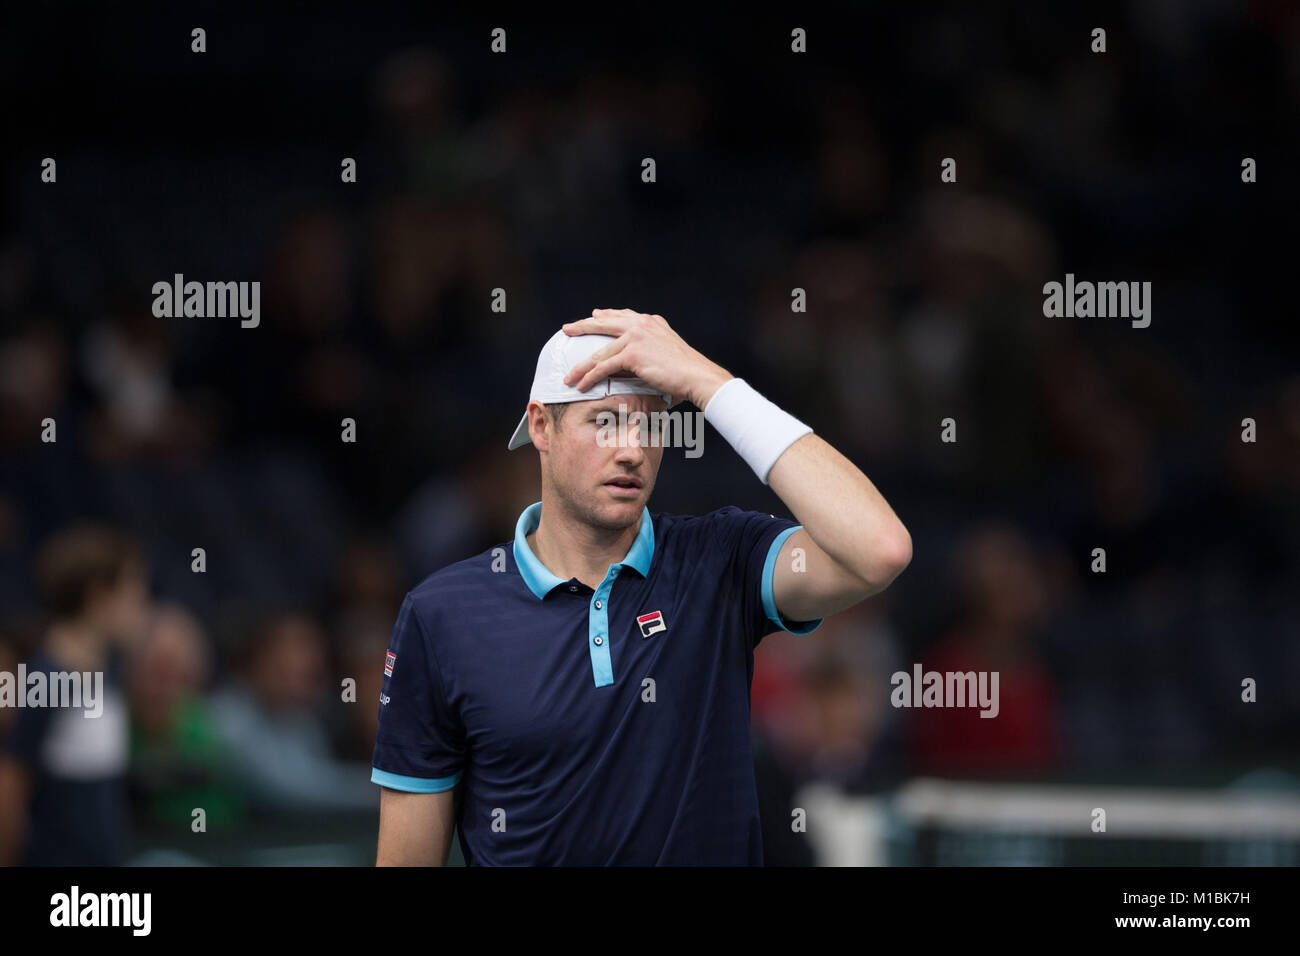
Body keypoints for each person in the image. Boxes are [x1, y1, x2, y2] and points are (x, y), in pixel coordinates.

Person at [372, 309, 912, 865]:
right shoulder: (442, 614)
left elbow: (879, 550)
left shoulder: (721, 558)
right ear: (541, 427)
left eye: (651, 425)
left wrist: (711, 383)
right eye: (604, 421)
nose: (631, 449)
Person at [0, 525, 149, 866]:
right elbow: (12, 781)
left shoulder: (110, 670)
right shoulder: (45, 680)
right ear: (99, 597)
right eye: (133, 590)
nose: (142, 603)